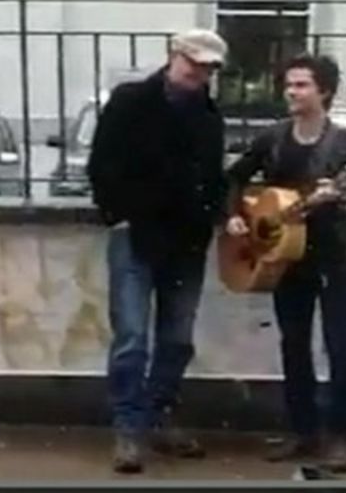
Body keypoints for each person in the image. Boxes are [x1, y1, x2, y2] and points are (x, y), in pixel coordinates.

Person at [86, 29, 228, 474]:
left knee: (177, 339)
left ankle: (157, 416)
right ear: (173, 56)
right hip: (138, 233)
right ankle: (130, 428)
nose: (198, 74)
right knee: (131, 336)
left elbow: (213, 174)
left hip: (186, 239)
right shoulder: (131, 101)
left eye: (207, 68)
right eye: (193, 63)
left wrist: (216, 213)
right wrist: (117, 215)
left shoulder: (208, 115)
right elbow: (101, 162)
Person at [225, 54, 346, 473]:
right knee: (293, 343)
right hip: (285, 256)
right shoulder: (272, 139)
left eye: (302, 85)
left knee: (340, 344)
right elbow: (234, 177)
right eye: (289, 84)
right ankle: (302, 431)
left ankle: (342, 436)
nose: (291, 92)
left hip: (336, 255)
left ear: (324, 91)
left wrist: (332, 194)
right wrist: (234, 213)